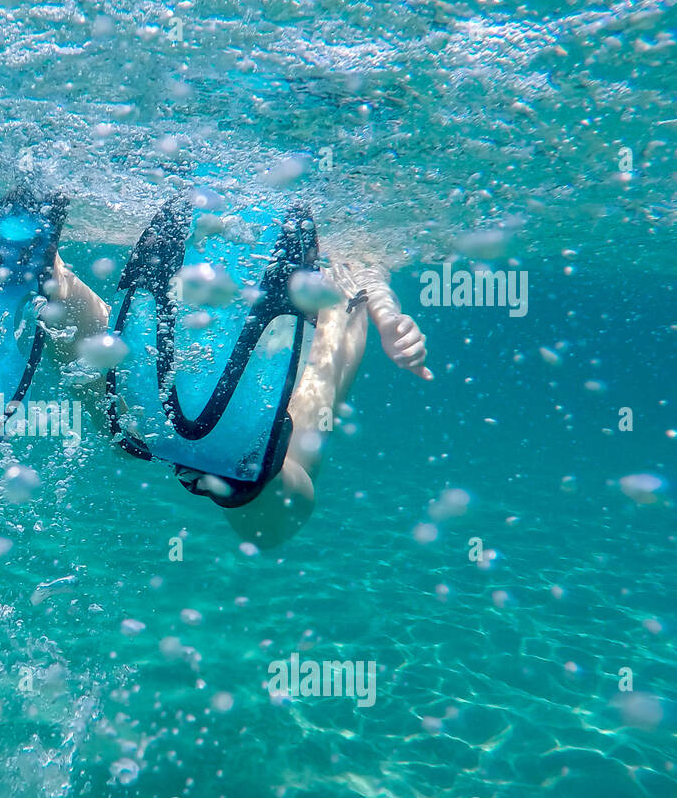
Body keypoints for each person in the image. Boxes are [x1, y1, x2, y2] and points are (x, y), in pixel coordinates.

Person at [40, 211, 432, 549]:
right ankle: (241, 467)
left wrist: (388, 314)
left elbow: (364, 272)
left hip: (200, 336)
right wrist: (382, 311)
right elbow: (360, 269)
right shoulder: (336, 218)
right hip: (274, 364)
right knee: (269, 526)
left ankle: (49, 272)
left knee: (123, 419)